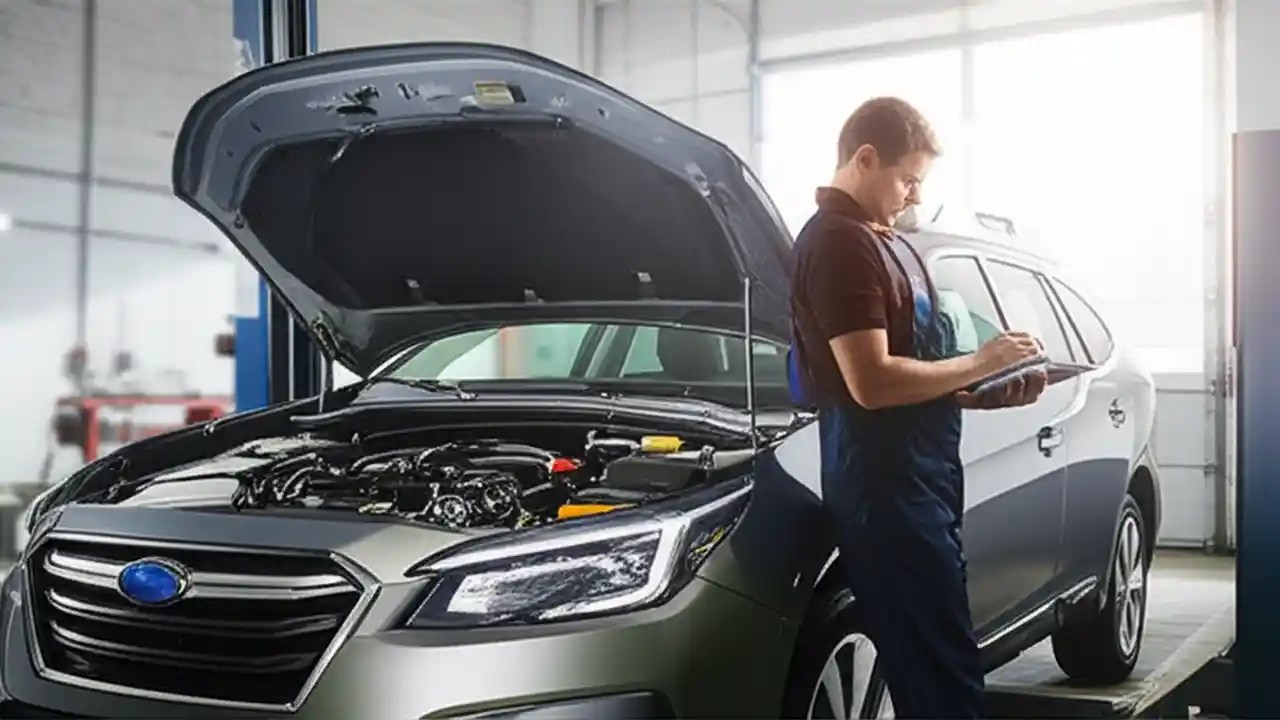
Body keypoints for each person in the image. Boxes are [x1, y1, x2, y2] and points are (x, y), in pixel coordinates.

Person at [788, 97, 1047, 718]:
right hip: (886, 490)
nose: (911, 196)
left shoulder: (880, 240)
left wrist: (979, 387)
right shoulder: (839, 244)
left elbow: (915, 363)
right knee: (938, 675)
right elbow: (871, 382)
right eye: (908, 179)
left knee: (944, 658)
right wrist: (981, 362)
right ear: (865, 158)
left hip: (922, 480)